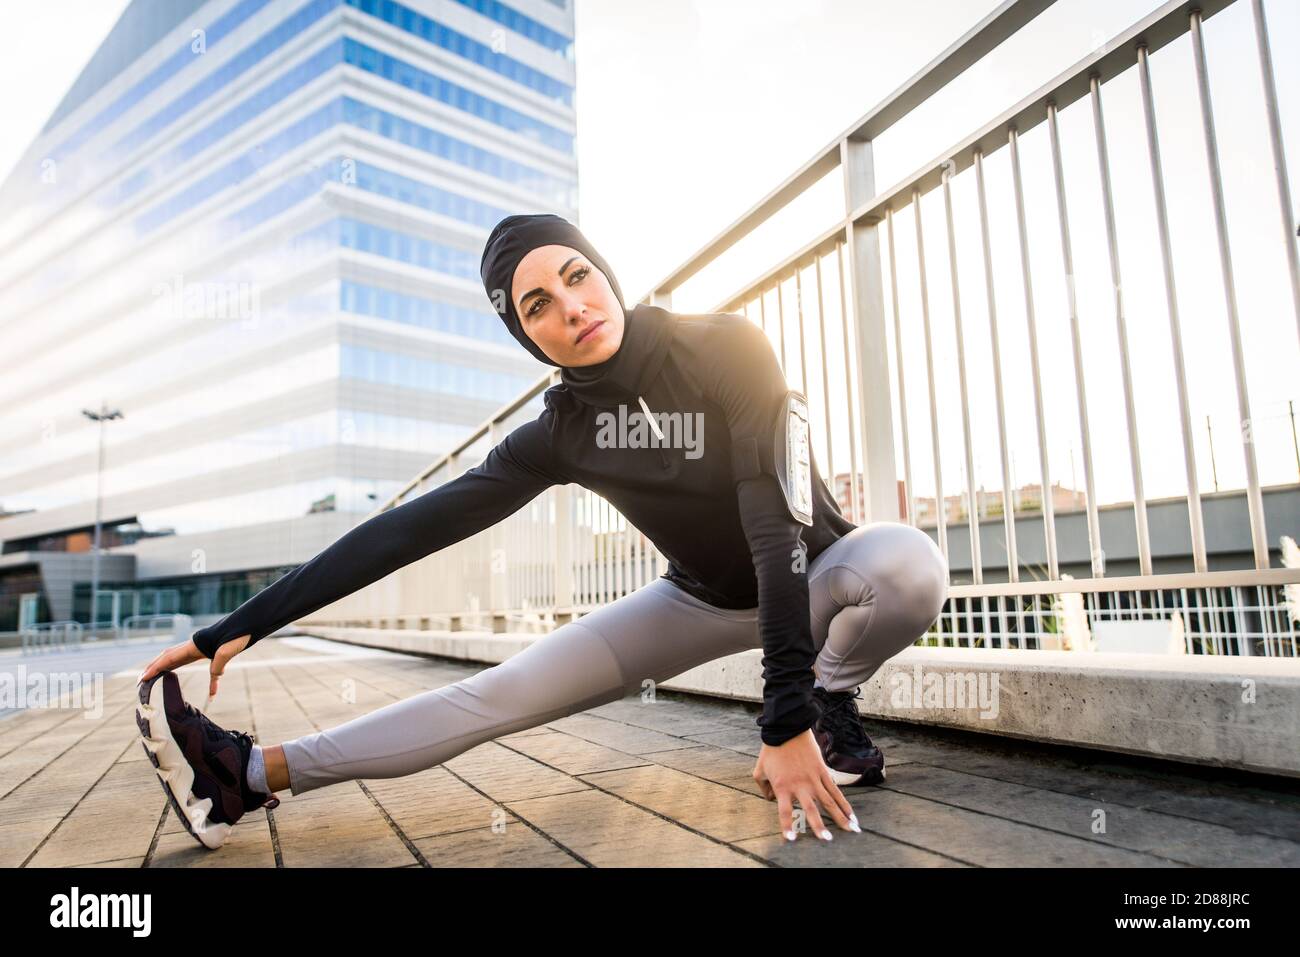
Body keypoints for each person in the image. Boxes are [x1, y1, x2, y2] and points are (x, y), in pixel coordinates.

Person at [136, 214, 949, 852]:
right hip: (694, 598)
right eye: (539, 307)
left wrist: (789, 717)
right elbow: (407, 532)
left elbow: (774, 531)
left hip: (815, 573)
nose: (574, 309)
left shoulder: (726, 347)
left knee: (906, 561)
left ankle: (832, 700)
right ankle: (245, 774)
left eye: (577, 276)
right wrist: (237, 626)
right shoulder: (560, 432)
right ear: (528, 337)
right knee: (496, 694)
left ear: (604, 272)